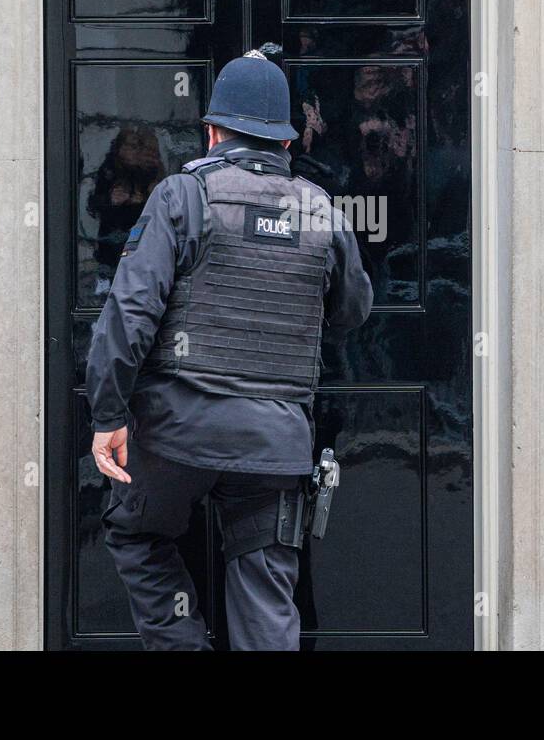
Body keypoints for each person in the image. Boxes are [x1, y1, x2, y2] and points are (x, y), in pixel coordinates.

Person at [86, 50, 373, 650]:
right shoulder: (319, 209)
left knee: (137, 534)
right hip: (274, 442)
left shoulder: (181, 197)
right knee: (266, 589)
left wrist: (108, 415)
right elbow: (353, 311)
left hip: (176, 434)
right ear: (286, 143)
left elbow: (129, 314)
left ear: (213, 132)